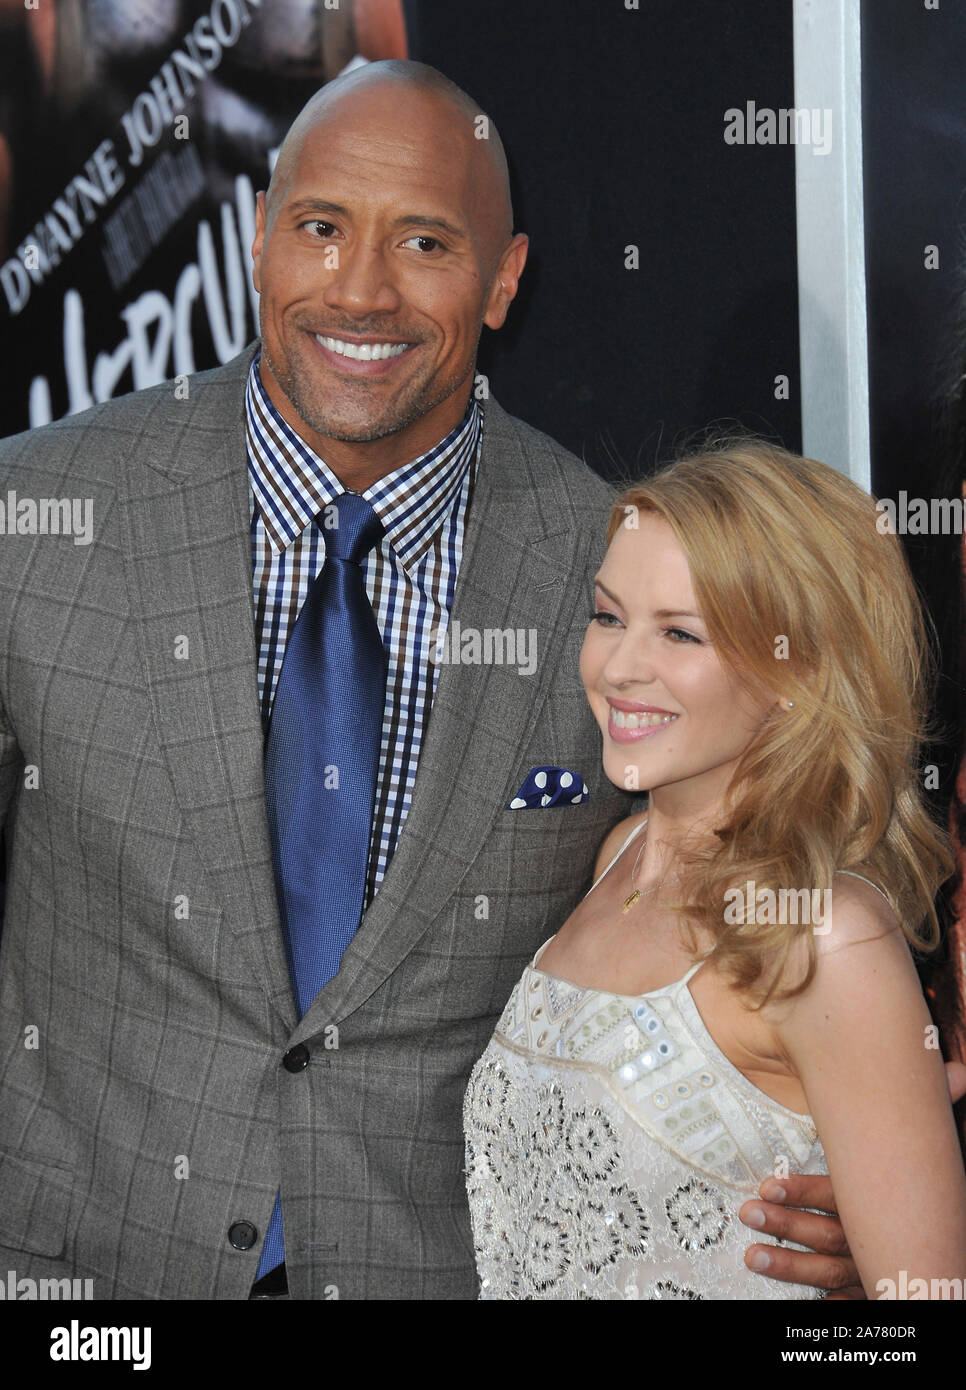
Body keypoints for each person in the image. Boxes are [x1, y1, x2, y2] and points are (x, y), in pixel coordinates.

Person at [0, 60, 944, 1300]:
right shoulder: (37, 514)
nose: (362, 289)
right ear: (256, 241)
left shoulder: (611, 570)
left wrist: (822, 1162)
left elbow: (784, 869)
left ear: (505, 281)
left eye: (428, 242)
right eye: (321, 227)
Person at [464, 439, 966, 1299]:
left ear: (797, 669)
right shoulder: (616, 859)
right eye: (609, 616)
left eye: (681, 633)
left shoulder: (825, 933)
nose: (619, 669)